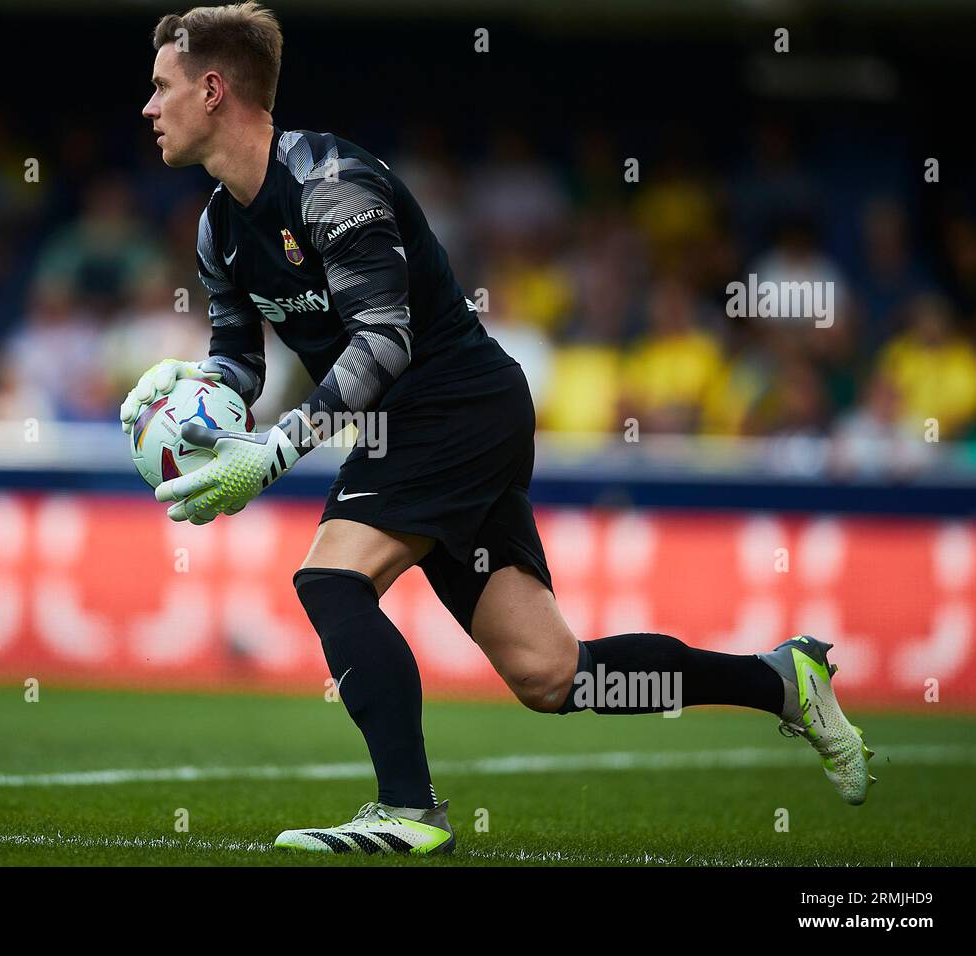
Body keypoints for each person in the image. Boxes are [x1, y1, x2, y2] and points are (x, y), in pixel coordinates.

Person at [122, 2, 874, 855]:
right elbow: (239, 356)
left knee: (331, 580)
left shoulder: (333, 184)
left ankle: (409, 808)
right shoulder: (220, 226)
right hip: (420, 420)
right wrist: (190, 393)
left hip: (453, 401)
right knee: (553, 674)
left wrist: (274, 452)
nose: (147, 107)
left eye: (160, 87)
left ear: (213, 90)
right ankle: (781, 681)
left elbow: (385, 339)